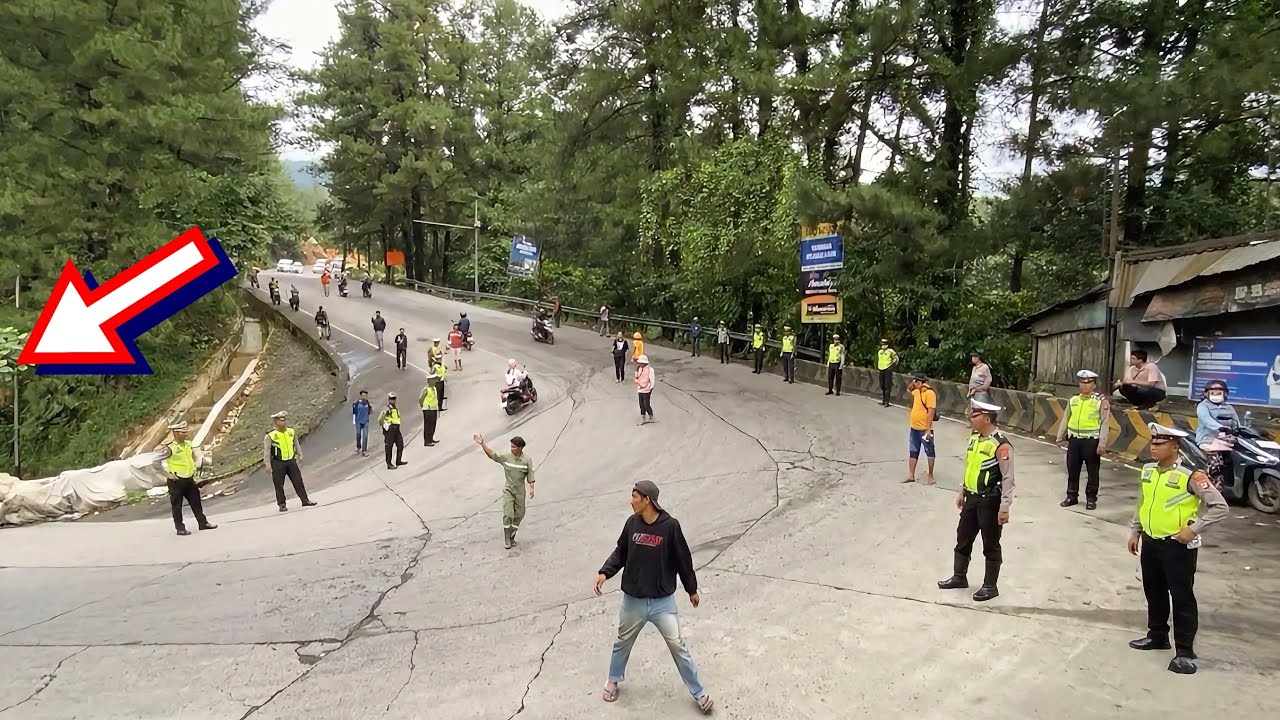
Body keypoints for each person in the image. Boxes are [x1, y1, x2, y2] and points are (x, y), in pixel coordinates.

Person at [594, 480, 714, 715]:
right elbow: (620, 552)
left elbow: (683, 560)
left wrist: (691, 589)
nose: (631, 501)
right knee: (622, 642)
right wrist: (604, 572)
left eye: (634, 496)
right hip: (633, 601)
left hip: (662, 603)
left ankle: (699, 693)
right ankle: (613, 679)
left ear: (647, 499)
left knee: (678, 645)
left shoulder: (670, 527)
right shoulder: (632, 524)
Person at [1127, 423, 1229, 675]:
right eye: (1152, 443)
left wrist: (1193, 530)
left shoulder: (1191, 476)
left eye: (1160, 443)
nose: (1153, 447)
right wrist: (1135, 531)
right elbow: (1143, 502)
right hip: (1151, 540)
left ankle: (1184, 652)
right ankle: (1157, 635)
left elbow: (1220, 507)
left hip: (1177, 545)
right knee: (1154, 591)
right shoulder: (1148, 470)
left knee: (1182, 597)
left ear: (1174, 446)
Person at [937, 399, 1015, 602]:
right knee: (963, 537)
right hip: (971, 498)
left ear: (987, 418)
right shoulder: (974, 439)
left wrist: (1005, 507)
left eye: (974, 415)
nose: (970, 418)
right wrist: (962, 490)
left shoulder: (1001, 444)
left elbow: (1008, 478)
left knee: (990, 543)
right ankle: (959, 576)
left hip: (990, 501)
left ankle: (990, 586)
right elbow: (970, 466)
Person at [1057, 370, 1111, 510]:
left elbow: (1105, 423)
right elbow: (1066, 418)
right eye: (1082, 383)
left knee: (1092, 471)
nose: (1085, 385)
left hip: (1091, 441)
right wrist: (1060, 435)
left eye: (1088, 383)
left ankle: (1091, 499)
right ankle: (1071, 496)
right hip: (1074, 440)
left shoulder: (1100, 402)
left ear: (1094, 385)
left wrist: (1102, 443)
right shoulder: (1073, 400)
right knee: (1072, 469)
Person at [473, 433, 536, 549]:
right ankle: (507, 537)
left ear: (520, 448)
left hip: (520, 492)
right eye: (511, 446)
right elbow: (492, 454)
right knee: (508, 514)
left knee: (520, 514)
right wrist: (482, 444)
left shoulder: (526, 460)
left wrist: (531, 487)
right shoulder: (506, 457)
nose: (511, 449)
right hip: (509, 490)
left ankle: (512, 535)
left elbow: (530, 474)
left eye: (514, 447)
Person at [154, 420, 216, 536]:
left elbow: (192, 457)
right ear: (176, 433)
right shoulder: (170, 448)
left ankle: (203, 523)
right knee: (177, 506)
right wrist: (168, 475)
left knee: (196, 502)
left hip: (189, 479)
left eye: (185, 432)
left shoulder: (188, 444)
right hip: (176, 480)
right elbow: (155, 463)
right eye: (183, 432)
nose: (186, 434)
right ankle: (180, 528)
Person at [263, 411, 317, 512]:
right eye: (281, 420)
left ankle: (305, 500)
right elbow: (267, 451)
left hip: (291, 461)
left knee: (298, 481)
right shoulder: (271, 436)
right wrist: (267, 464)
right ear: (275, 422)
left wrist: (300, 455)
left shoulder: (291, 432)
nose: (283, 422)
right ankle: (282, 504)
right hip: (278, 462)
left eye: (284, 420)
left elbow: (296, 444)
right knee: (279, 484)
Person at [1195, 379, 1239, 491]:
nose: (1216, 395)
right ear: (1207, 394)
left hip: (1227, 439)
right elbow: (1206, 420)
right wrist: (1220, 428)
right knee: (1217, 461)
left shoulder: (1229, 408)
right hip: (1208, 438)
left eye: (1219, 393)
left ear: (1225, 394)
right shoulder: (1203, 406)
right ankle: (1213, 487)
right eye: (1213, 393)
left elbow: (1237, 423)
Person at [904, 373, 936, 485]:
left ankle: (930, 475)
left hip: (924, 428)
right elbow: (908, 390)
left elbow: (931, 412)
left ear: (921, 382)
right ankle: (911, 475)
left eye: (916, 382)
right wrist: (912, 384)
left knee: (929, 451)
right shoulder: (916, 391)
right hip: (914, 427)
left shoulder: (930, 393)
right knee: (913, 451)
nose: (914, 383)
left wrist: (928, 429)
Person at [379, 392, 406, 470]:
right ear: (389, 399)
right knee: (389, 447)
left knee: (400, 445)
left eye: (394, 399)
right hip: (390, 430)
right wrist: (384, 427)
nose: (393, 400)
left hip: (397, 429)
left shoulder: (395, 409)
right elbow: (380, 419)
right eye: (391, 399)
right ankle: (389, 464)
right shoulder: (387, 408)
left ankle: (398, 460)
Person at [876, 339, 899, 407]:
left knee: (887, 385)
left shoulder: (890, 351)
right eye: (882, 345)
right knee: (882, 385)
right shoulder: (880, 352)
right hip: (881, 369)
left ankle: (887, 401)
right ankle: (883, 399)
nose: (883, 346)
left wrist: (892, 366)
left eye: (884, 344)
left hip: (888, 369)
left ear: (887, 345)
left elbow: (896, 359)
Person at [419, 377, 440, 446]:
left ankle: (431, 438)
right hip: (428, 410)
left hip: (434, 409)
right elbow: (420, 399)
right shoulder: (426, 389)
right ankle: (427, 441)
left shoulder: (434, 388)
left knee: (433, 424)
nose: (435, 381)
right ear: (429, 381)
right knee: (428, 425)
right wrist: (424, 407)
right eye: (433, 380)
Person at [635, 355, 655, 425]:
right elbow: (637, 377)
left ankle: (651, 417)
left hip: (647, 390)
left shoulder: (650, 370)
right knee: (641, 405)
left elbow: (652, 380)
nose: (639, 364)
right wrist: (636, 369)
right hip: (640, 389)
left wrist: (650, 389)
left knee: (646, 405)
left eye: (641, 363)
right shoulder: (639, 369)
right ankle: (643, 418)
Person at [352, 389, 372, 457]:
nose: (365, 397)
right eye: (363, 395)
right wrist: (354, 421)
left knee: (365, 436)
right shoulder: (356, 404)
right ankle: (358, 447)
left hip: (366, 422)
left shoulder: (367, 403)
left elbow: (369, 410)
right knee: (358, 435)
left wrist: (367, 416)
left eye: (366, 395)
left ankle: (364, 450)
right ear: (360, 396)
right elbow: (354, 412)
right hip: (358, 422)